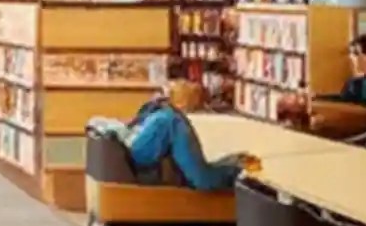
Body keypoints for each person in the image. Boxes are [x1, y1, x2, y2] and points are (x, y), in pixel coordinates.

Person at [89, 81, 257, 192]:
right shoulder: (170, 122)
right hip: (139, 159)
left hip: (131, 148)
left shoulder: (155, 114)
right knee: (211, 175)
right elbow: (201, 179)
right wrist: (235, 171)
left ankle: (235, 166)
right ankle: (237, 169)